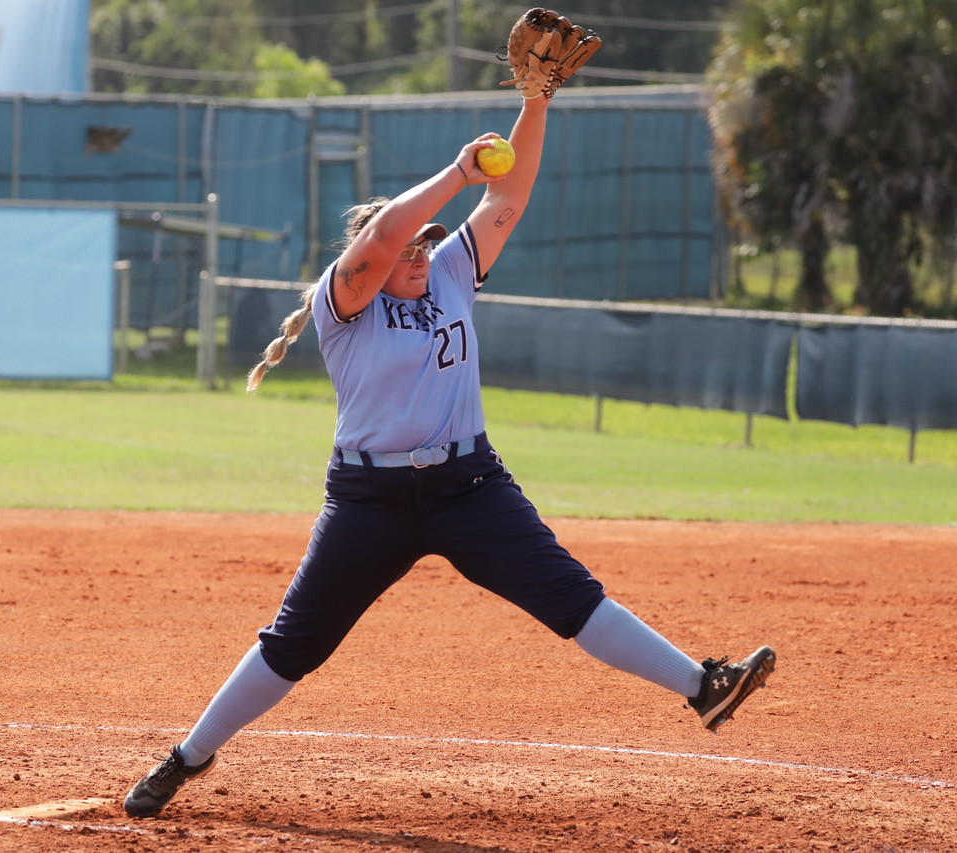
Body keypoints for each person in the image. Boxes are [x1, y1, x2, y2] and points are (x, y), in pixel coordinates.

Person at [123, 42, 776, 822]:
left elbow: (511, 199)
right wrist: (457, 174)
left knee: (571, 595)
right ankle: (186, 756)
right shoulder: (346, 301)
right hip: (369, 499)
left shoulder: (452, 273)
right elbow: (383, 234)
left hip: (470, 487)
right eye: (413, 243)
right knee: (297, 641)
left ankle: (702, 686)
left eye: (432, 241)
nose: (425, 250)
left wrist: (534, 103)